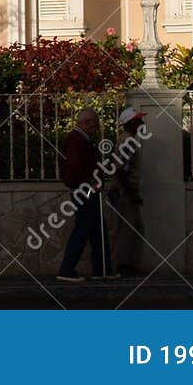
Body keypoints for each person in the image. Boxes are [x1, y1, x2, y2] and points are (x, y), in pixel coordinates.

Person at [57, 107, 113, 282]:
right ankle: (66, 270)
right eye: (95, 122)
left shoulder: (80, 138)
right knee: (83, 229)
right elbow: (74, 167)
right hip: (85, 191)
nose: (96, 126)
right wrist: (89, 182)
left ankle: (102, 269)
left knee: (98, 230)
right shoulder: (77, 139)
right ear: (86, 122)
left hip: (86, 190)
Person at [108, 106, 147, 275]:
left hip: (123, 191)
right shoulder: (128, 141)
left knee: (131, 228)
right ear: (130, 123)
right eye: (138, 120)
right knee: (128, 229)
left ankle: (127, 263)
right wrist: (132, 193)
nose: (141, 123)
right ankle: (124, 265)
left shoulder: (124, 139)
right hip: (124, 192)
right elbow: (121, 170)